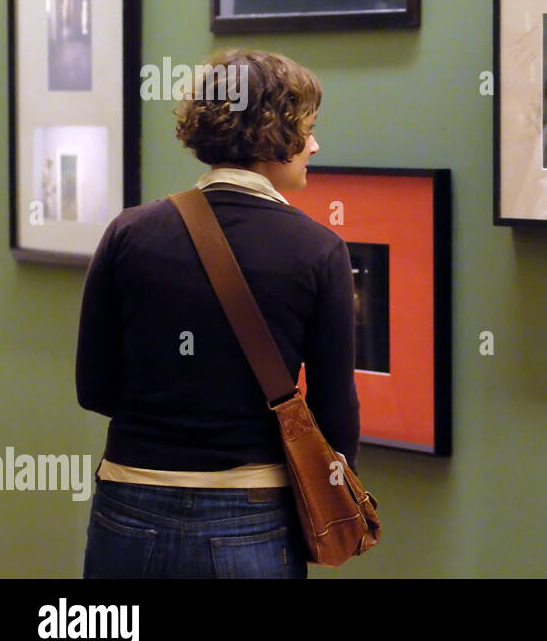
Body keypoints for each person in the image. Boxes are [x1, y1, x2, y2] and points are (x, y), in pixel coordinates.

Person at [76, 49, 359, 578]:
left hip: (130, 505)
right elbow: (336, 414)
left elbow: (93, 389)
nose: (315, 145)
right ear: (272, 131)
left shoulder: (129, 232)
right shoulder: (319, 250)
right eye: (308, 128)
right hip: (251, 513)